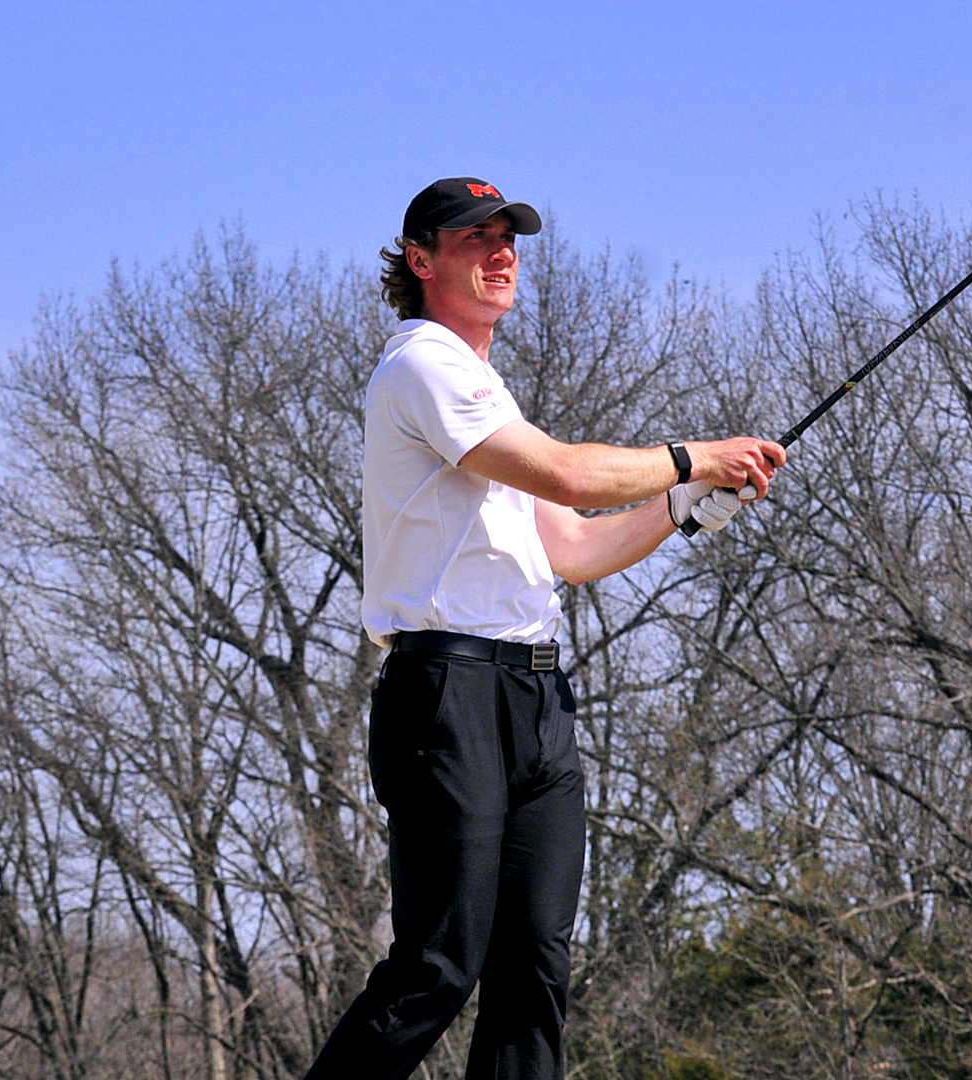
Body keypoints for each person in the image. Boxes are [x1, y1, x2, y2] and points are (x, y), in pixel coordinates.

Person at [303, 177, 785, 1080]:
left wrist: (685, 504)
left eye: (510, 240)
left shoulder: (488, 391)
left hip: (535, 697)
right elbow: (567, 476)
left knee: (534, 973)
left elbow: (570, 548)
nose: (501, 255)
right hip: (448, 694)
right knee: (437, 969)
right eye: (475, 239)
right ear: (419, 258)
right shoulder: (422, 365)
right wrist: (695, 455)